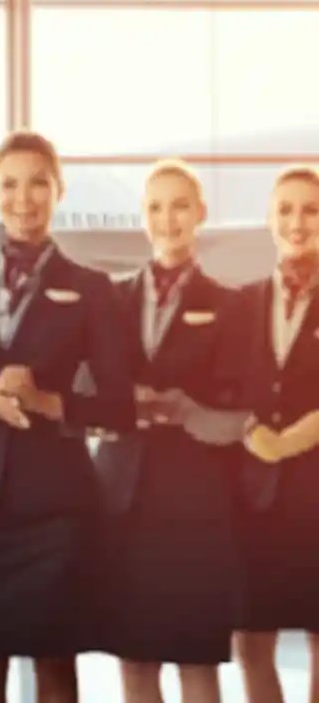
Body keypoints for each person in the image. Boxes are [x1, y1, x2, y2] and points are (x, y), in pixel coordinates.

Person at [0, 130, 134, 702]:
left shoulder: (92, 289)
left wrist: (47, 402)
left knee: (55, 666)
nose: (24, 197)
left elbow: (119, 405)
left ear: (59, 190)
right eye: (10, 183)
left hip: (57, 505)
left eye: (39, 182)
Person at [93, 159, 241, 703]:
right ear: (143, 216)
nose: (167, 218)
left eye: (180, 205)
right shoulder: (110, 298)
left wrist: (187, 410)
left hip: (195, 502)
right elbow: (88, 388)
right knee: (134, 660)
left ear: (200, 213)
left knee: (195, 658)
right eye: (155, 206)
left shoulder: (229, 304)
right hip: (123, 499)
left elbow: (240, 410)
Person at [225, 165, 319, 703]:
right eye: (285, 209)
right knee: (252, 645)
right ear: (269, 220)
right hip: (253, 500)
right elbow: (220, 391)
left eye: (309, 209)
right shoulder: (242, 302)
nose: (297, 221)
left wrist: (293, 440)